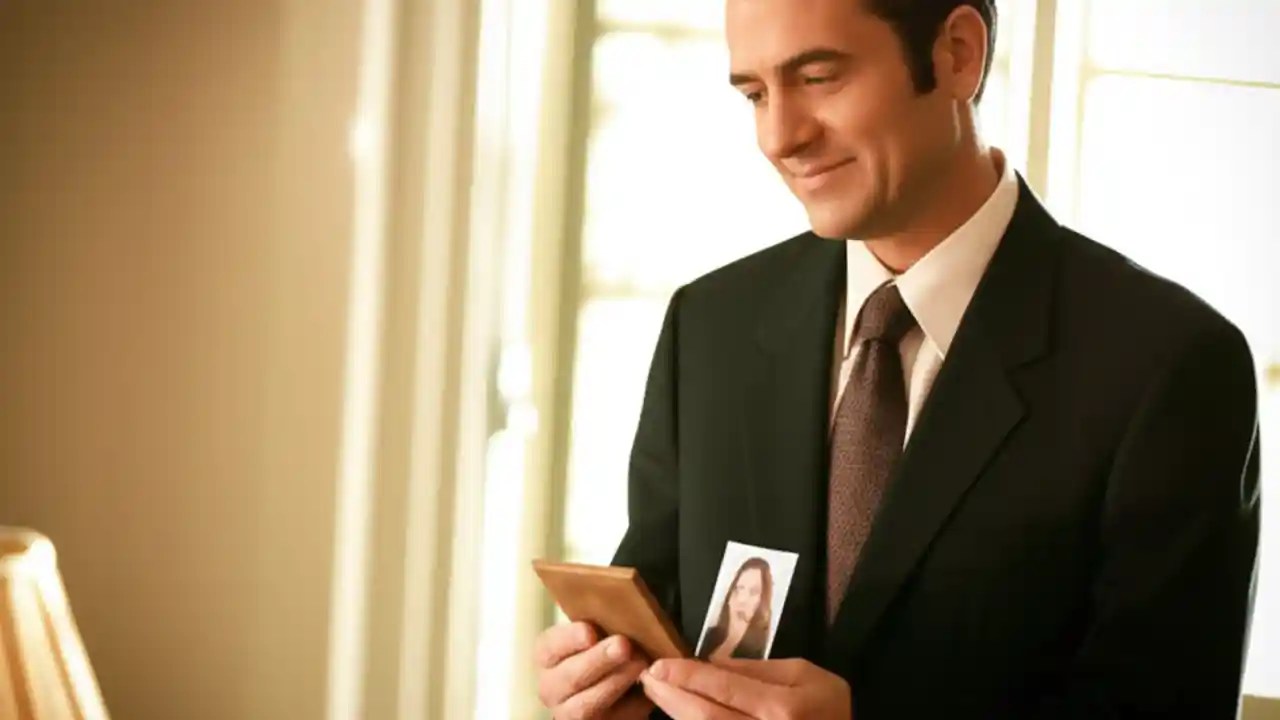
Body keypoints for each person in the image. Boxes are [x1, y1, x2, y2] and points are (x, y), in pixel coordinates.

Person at [533, 0, 1261, 718]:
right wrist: (615, 696)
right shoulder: (711, 325)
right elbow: (667, 637)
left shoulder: (1170, 368)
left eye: (819, 77)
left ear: (957, 55)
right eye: (755, 93)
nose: (779, 136)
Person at [696, 558, 774, 661]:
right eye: (739, 588)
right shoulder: (711, 635)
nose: (742, 599)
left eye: (753, 592)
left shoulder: (756, 656)